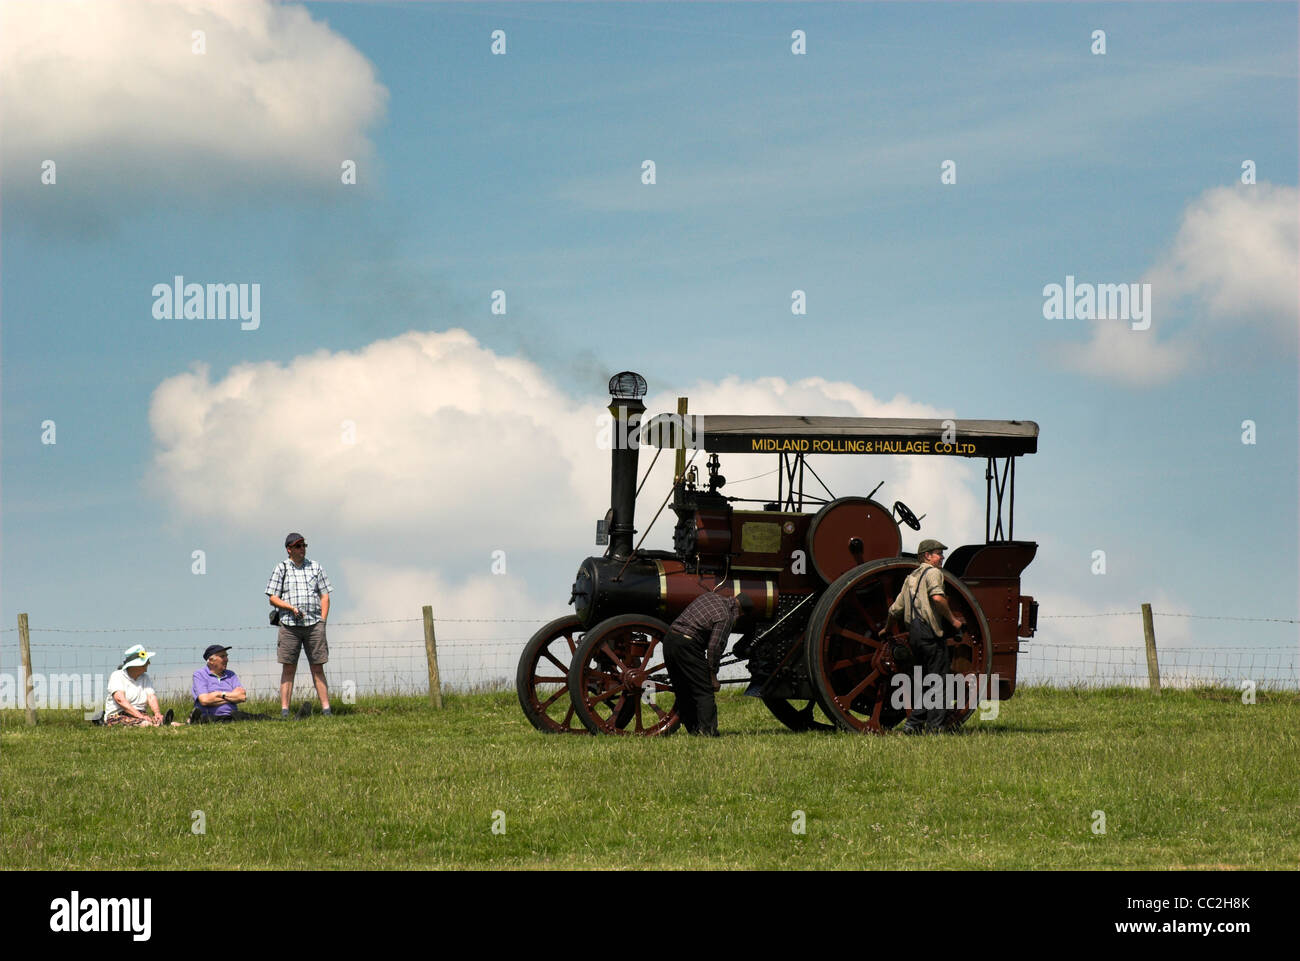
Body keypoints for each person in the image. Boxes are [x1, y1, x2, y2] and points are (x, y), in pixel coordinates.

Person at [886, 538, 965, 734]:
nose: (942, 557)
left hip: (914, 636)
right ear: (927, 556)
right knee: (940, 682)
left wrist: (886, 629)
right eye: (938, 553)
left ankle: (913, 725)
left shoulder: (910, 578)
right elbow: (937, 598)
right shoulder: (934, 573)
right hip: (930, 633)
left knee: (924, 682)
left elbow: (895, 610)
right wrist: (953, 620)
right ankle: (934, 728)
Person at [664, 591, 755, 736]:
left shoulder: (710, 596)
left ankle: (694, 729)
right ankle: (708, 732)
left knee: (683, 689)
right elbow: (715, 647)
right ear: (741, 613)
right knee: (704, 691)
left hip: (669, 639)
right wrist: (713, 675)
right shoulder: (726, 616)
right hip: (688, 644)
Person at [265, 532, 334, 718]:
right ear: (289, 549)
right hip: (289, 624)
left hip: (314, 624)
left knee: (318, 667)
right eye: (297, 546)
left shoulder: (316, 567)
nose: (302, 549)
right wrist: (290, 607)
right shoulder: (281, 568)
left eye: (303, 545)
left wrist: (323, 620)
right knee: (288, 667)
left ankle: (326, 709)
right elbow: (272, 598)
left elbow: (325, 595)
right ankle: (285, 711)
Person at [189, 645, 275, 723]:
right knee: (209, 719)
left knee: (257, 717)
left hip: (231, 715)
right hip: (209, 716)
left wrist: (219, 694)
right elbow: (204, 700)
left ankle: (283, 721)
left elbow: (242, 696)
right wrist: (232, 697)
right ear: (211, 661)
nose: (227, 659)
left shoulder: (231, 674)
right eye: (223, 656)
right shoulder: (200, 674)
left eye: (226, 656)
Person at [103, 644, 176, 727]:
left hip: (140, 715)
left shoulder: (145, 678)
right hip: (118, 715)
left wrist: (157, 713)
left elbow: (151, 697)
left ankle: (185, 723)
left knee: (162, 723)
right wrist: (140, 716)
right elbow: (120, 700)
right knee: (146, 724)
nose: (149, 663)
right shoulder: (117, 676)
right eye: (146, 661)